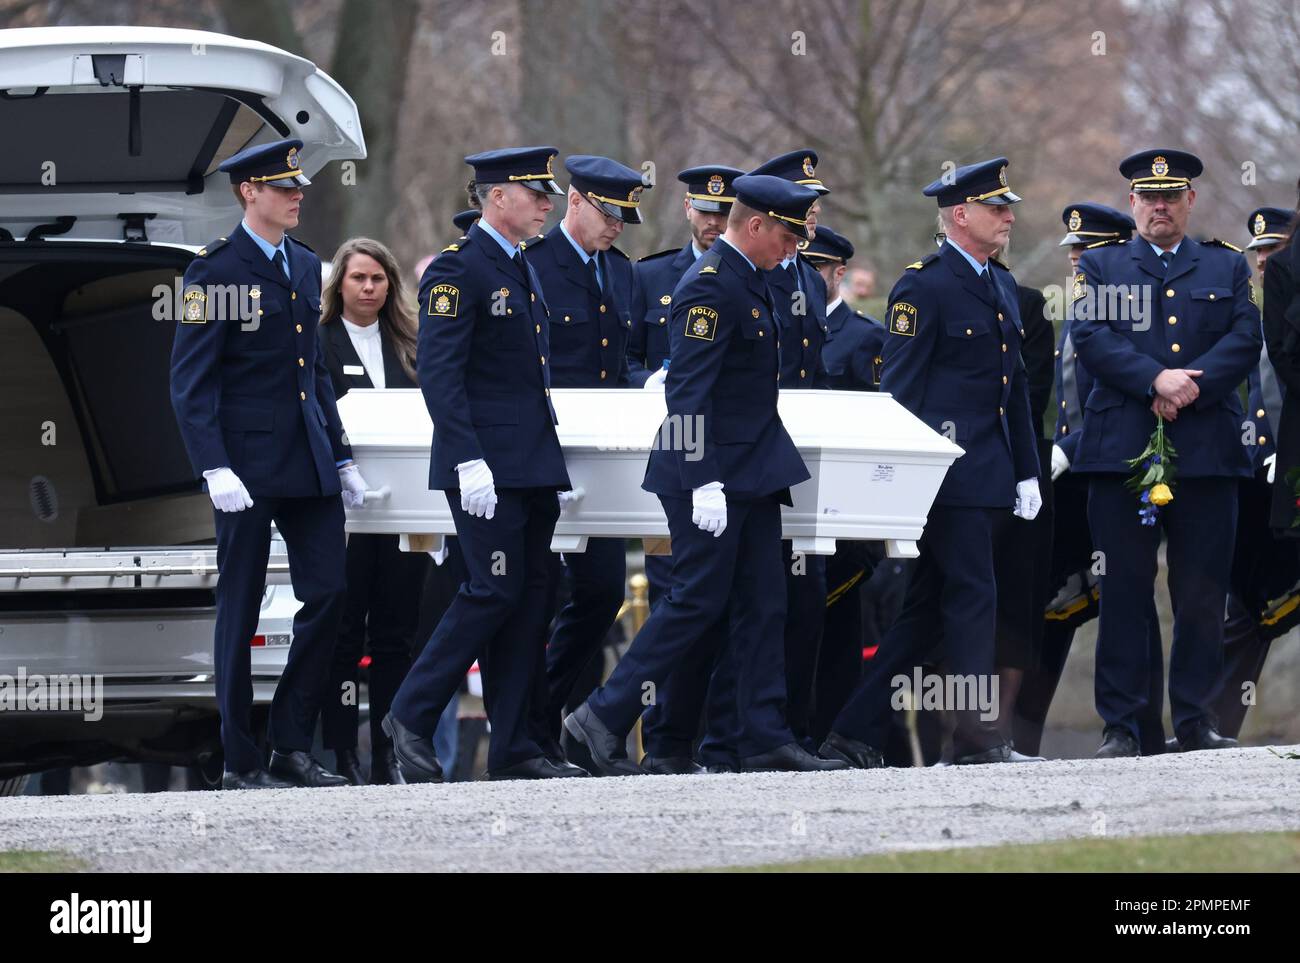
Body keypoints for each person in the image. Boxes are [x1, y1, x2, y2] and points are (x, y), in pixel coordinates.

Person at [563, 175, 847, 775]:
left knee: (765, 604)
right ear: (757, 226)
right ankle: (599, 718)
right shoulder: (712, 287)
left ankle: (763, 733)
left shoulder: (755, 279)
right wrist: (703, 480)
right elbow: (687, 394)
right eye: (790, 234)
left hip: (754, 469)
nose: (797, 247)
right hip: (710, 473)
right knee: (695, 601)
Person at [819, 158, 1044, 768]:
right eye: (998, 208)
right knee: (975, 597)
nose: (1010, 217)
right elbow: (902, 391)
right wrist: (904, 481)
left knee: (923, 616)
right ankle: (977, 739)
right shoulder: (924, 284)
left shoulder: (998, 282)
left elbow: (1013, 386)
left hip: (990, 473)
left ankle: (851, 733)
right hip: (945, 478)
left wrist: (1027, 469)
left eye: (1009, 207)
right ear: (960, 214)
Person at [384, 146, 587, 782]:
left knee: (530, 602)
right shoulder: (456, 270)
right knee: (491, 589)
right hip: (487, 469)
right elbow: (440, 377)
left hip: (531, 463)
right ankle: (410, 715)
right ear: (497, 197)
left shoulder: (518, 267)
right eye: (536, 194)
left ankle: (516, 745)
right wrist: (469, 461)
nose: (548, 205)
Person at [169, 138, 366, 789]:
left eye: (299, 186)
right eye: (284, 187)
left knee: (330, 594)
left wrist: (340, 454)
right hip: (247, 472)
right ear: (249, 192)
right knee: (241, 608)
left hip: (308, 462)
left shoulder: (308, 266)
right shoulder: (212, 272)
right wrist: (213, 467)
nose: (297, 194)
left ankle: (288, 741)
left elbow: (317, 373)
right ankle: (238, 757)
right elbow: (191, 385)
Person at [1070, 149, 1260, 756]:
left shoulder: (1224, 266)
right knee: (1123, 589)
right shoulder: (1100, 265)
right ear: (1132, 204)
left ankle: (1197, 720)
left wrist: (1191, 386)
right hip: (1123, 447)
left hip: (1205, 448)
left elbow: (1245, 337)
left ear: (1189, 202)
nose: (1159, 207)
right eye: (1148, 198)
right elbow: (1091, 337)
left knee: (1202, 591)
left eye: (1170, 197)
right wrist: (1154, 379)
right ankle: (1124, 725)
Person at [1013, 203, 1168, 756]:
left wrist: (1070, 448)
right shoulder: (1080, 308)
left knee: (1129, 597)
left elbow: (1126, 395)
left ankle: (1142, 728)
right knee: (1056, 604)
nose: (1079, 261)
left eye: (1091, 252)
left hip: (1114, 468)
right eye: (1075, 252)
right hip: (1071, 481)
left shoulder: (1136, 314)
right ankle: (1022, 735)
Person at [522, 155, 649, 760]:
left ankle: (552, 723)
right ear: (575, 202)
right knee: (536, 595)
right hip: (544, 450)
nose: (618, 226)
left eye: (626, 217)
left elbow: (619, 360)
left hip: (600, 458)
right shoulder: (534, 266)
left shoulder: (621, 273)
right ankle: (528, 732)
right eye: (609, 214)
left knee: (601, 594)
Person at [632, 164, 744, 775]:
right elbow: (618, 361)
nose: (712, 221)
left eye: (724, 213)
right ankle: (667, 740)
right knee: (679, 599)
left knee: (722, 606)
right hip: (671, 463)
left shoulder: (751, 275)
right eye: (704, 210)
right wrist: (648, 384)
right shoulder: (650, 277)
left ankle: (717, 743)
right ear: (688, 211)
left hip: (726, 462)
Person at [317, 237, 428, 786]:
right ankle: (341, 754)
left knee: (395, 634)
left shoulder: (409, 341)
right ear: (339, 283)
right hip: (343, 510)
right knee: (343, 633)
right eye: (358, 278)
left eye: (377, 278)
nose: (368, 287)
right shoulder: (319, 341)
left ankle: (389, 754)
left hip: (403, 504)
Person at [1215, 198, 1300, 737]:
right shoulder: (1248, 316)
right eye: (1258, 253)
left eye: (1275, 249)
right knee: (1245, 609)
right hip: (1257, 481)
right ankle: (1215, 727)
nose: (1264, 261)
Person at [799, 224, 887, 742]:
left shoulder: (865, 338)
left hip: (841, 511)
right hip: (787, 501)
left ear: (838, 274)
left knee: (838, 631)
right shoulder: (781, 326)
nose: (807, 280)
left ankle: (831, 736)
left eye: (817, 270)